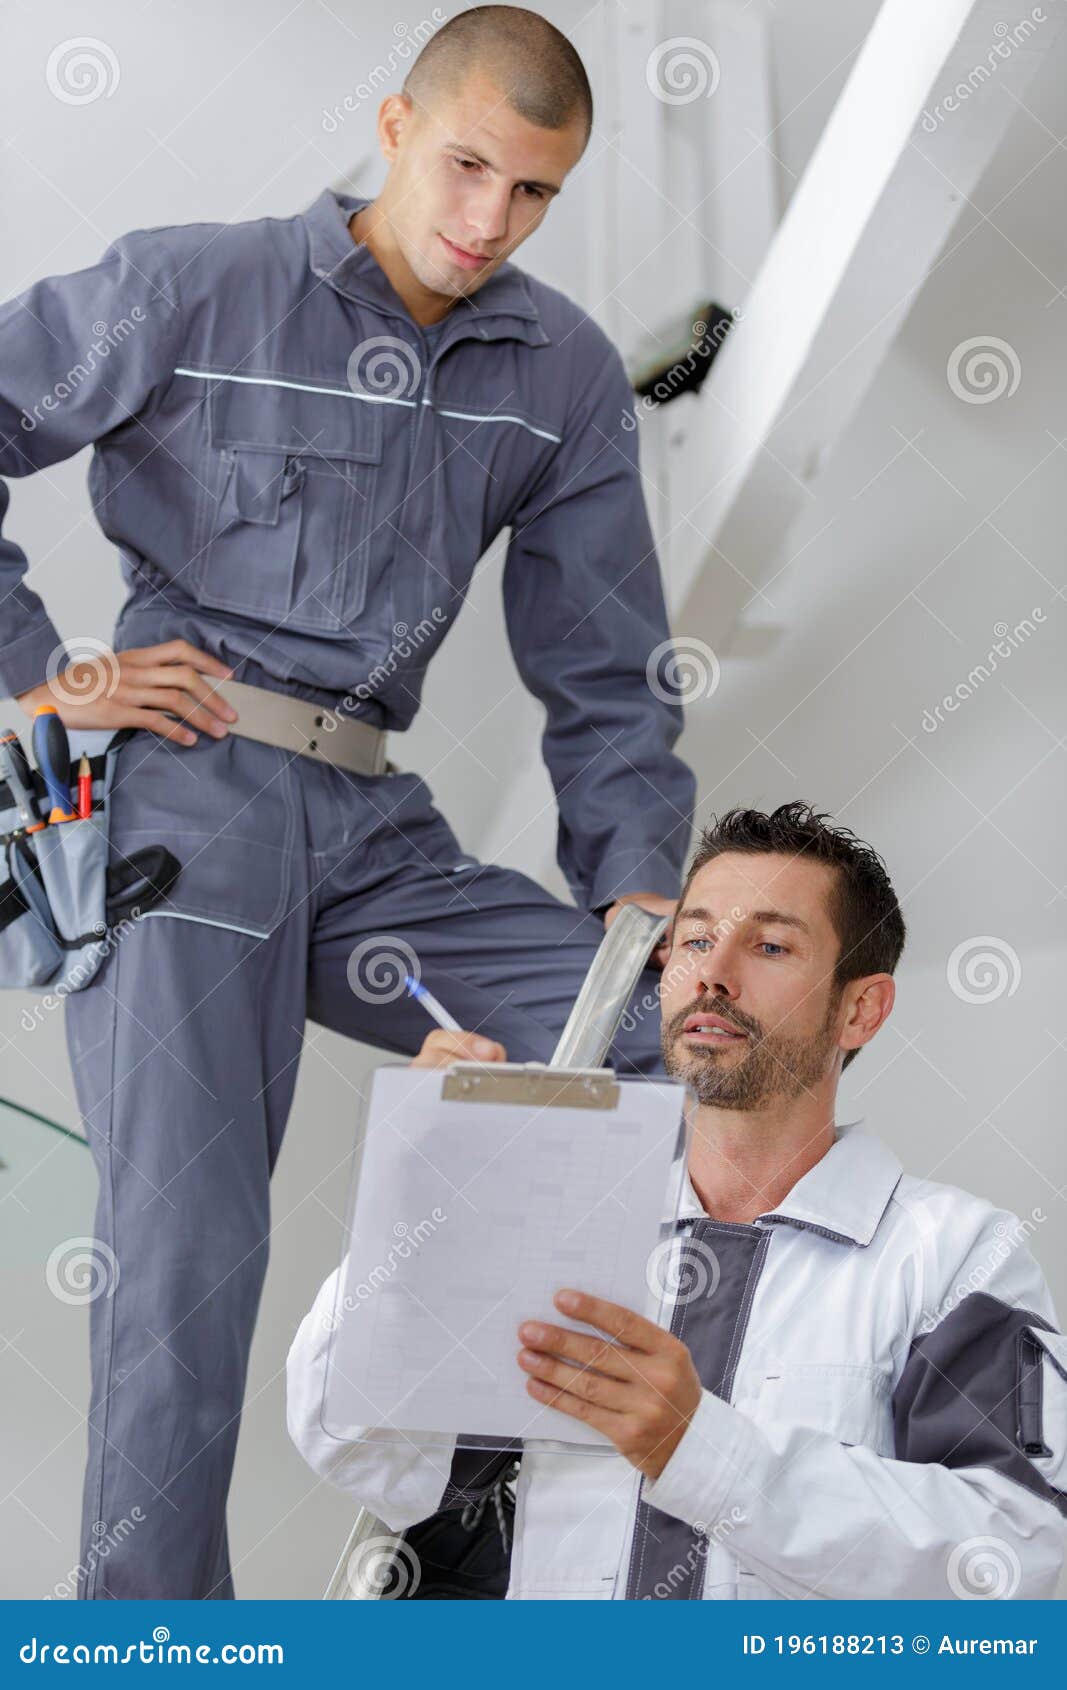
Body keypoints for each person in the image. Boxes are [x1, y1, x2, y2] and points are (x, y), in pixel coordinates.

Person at [0, 9, 694, 1597]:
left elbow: (605, 664)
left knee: (664, 1042)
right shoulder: (194, 281)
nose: (485, 221)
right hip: (185, 808)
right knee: (185, 1258)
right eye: (465, 168)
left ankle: (464, 1502)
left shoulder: (562, 375)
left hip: (378, 836)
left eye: (532, 193)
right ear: (393, 127)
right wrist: (44, 672)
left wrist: (634, 879)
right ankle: (152, 1639)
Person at [288, 803, 1067, 1600]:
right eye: (694, 940)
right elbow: (363, 1450)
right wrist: (421, 1195)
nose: (711, 975)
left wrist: (695, 1449)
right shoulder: (559, 1220)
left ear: (859, 1007)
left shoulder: (955, 1255)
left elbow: (1017, 1557)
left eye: (767, 945)